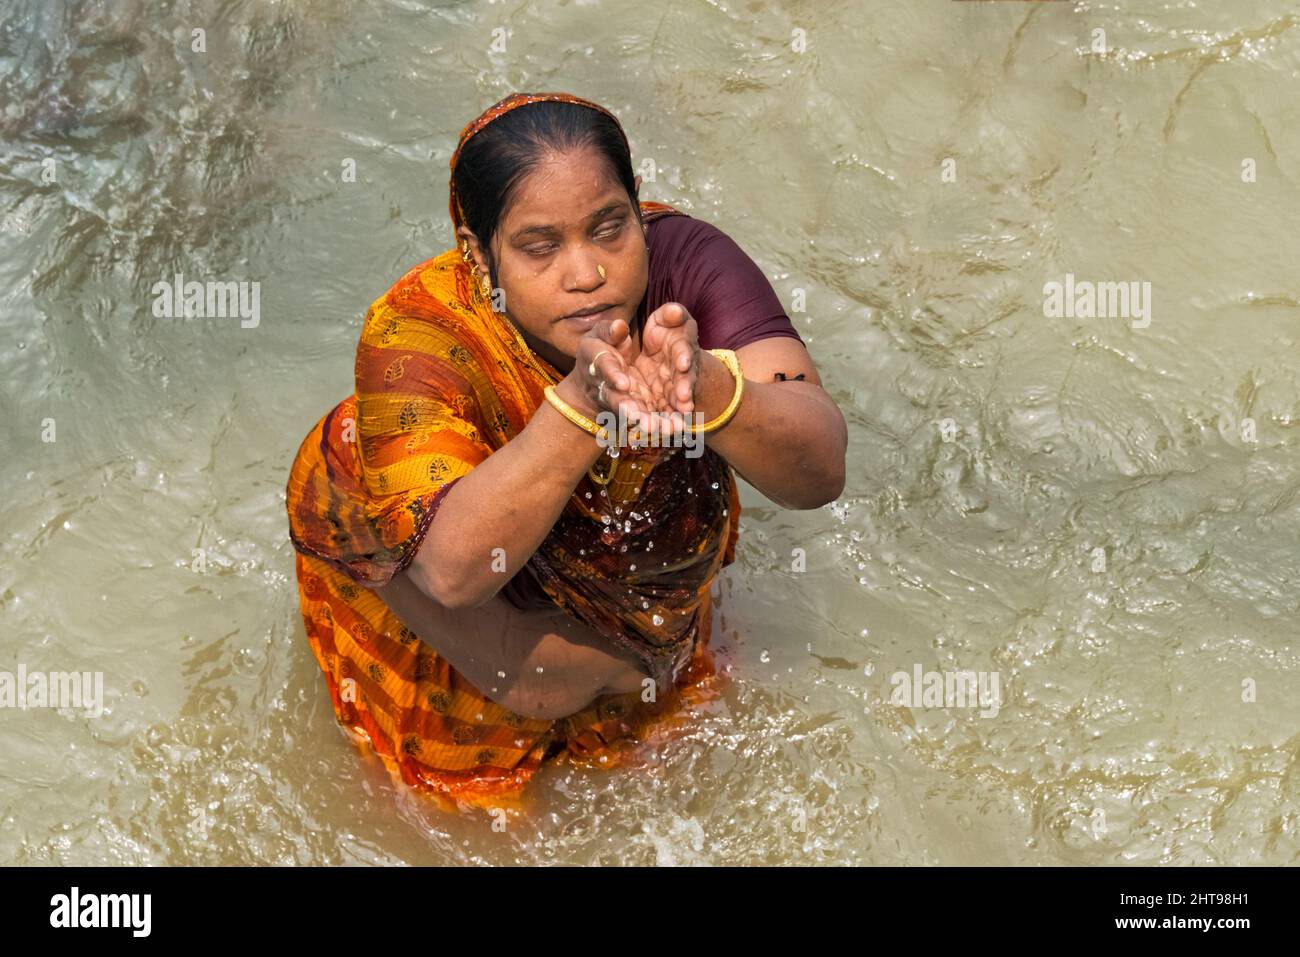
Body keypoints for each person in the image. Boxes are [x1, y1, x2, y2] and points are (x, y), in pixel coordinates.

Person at [285, 91, 847, 813]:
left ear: (637, 208)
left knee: (670, 749)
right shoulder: (419, 337)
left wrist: (707, 387)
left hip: (635, 602)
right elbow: (454, 573)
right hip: (446, 597)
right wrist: (583, 403)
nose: (586, 274)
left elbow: (820, 468)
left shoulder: (687, 265)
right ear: (479, 255)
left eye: (610, 228)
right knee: (458, 809)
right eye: (540, 245)